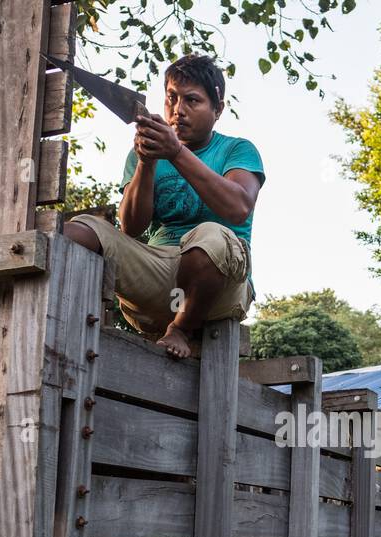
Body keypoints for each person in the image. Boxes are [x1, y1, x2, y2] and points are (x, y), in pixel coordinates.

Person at [64, 53, 265, 360]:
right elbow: (131, 228)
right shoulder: (145, 153)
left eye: (192, 101)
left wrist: (175, 153)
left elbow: (238, 207)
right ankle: (65, 327)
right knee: (78, 231)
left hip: (218, 286)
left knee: (210, 237)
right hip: (160, 279)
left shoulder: (237, 149)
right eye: (172, 98)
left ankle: (181, 328)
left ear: (218, 109)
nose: (178, 110)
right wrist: (146, 162)